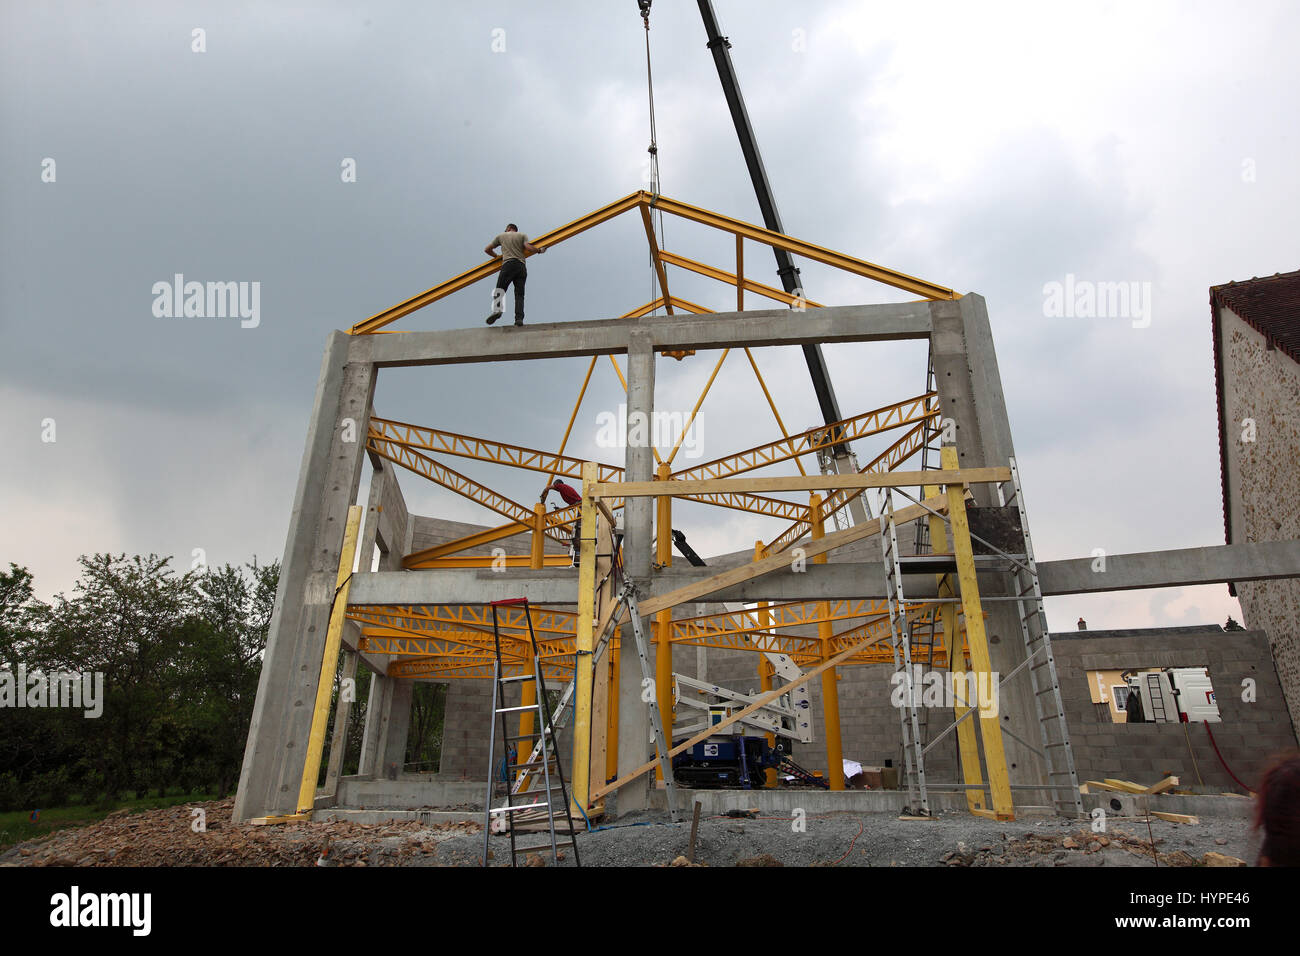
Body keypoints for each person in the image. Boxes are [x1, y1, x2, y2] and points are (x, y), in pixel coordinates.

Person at [484, 223, 545, 326]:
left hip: (508, 264)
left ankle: (497, 310)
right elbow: (528, 247)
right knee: (519, 295)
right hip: (521, 266)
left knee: (500, 289)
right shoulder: (522, 235)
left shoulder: (501, 236)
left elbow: (487, 249)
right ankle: (519, 319)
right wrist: (539, 250)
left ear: (508, 228)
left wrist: (496, 256)